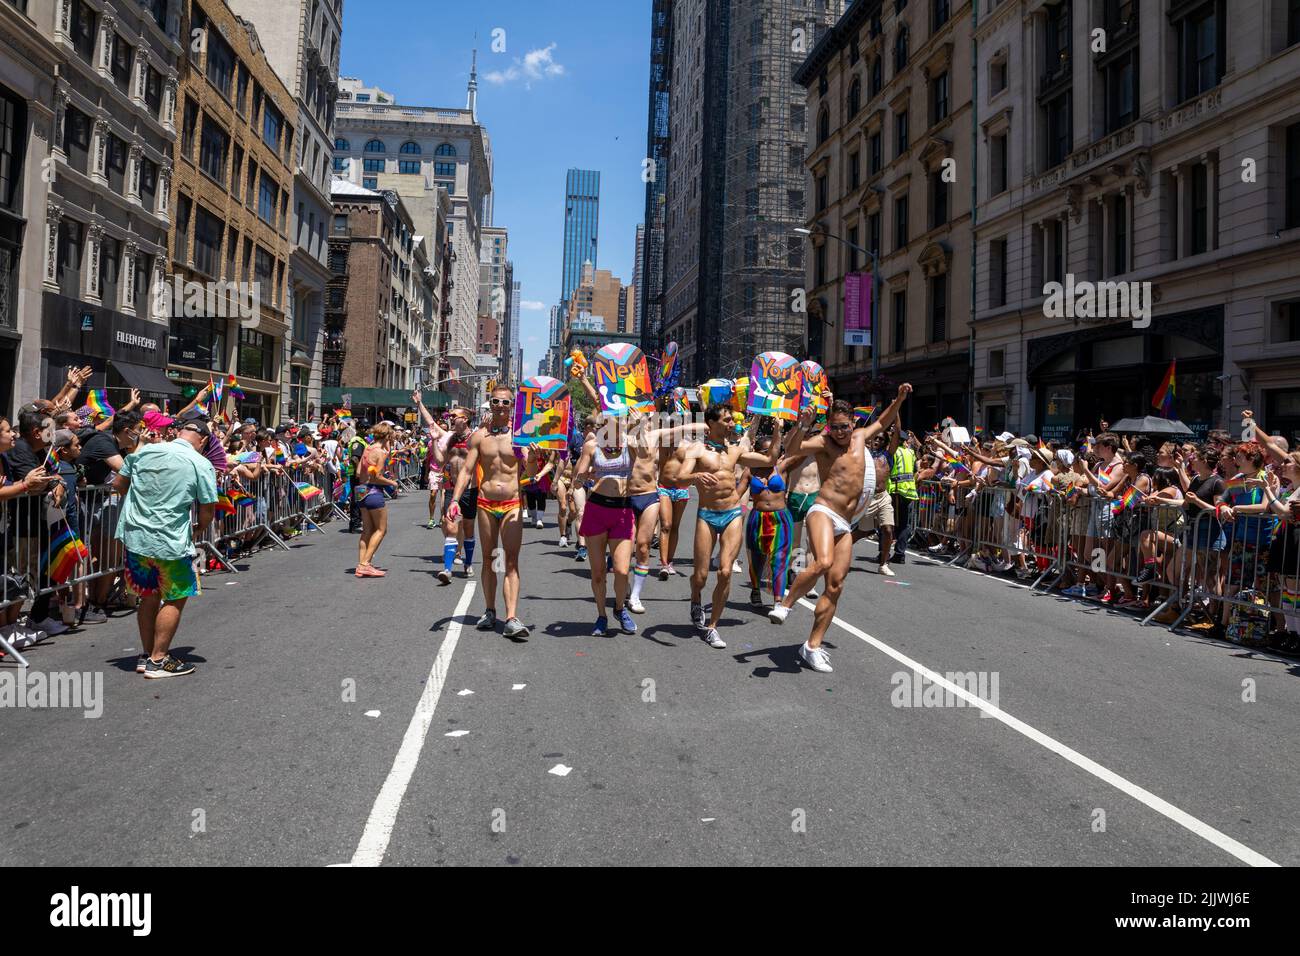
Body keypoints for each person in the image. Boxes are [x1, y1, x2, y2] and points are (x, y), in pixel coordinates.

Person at [769, 385, 912, 673]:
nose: (839, 432)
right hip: (822, 510)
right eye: (834, 427)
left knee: (835, 586)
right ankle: (785, 603)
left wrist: (899, 399)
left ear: (853, 424)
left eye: (844, 427)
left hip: (845, 523)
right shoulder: (823, 444)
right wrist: (803, 424)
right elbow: (794, 448)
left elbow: (884, 421)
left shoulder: (860, 437)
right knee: (822, 561)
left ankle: (812, 646)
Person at [676, 406, 794, 649]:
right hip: (707, 515)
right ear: (711, 422)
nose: (732, 423)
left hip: (732, 514)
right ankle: (696, 598)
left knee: (726, 572)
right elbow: (678, 477)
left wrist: (777, 431)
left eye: (731, 420)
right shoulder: (696, 450)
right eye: (727, 420)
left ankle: (712, 627)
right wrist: (695, 477)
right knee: (700, 576)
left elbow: (770, 459)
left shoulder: (736, 450)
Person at [113, 418, 218, 677]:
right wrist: (199, 528)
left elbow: (118, 485)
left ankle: (147, 655)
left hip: (137, 536)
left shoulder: (145, 451)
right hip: (170, 540)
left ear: (178, 433)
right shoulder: (200, 463)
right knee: (176, 596)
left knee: (148, 596)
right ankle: (159, 660)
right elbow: (207, 509)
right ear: (202, 441)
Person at [447, 385, 529, 638]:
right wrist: (455, 499)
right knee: (491, 558)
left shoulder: (521, 434)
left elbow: (531, 472)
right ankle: (490, 610)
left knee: (511, 561)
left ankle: (512, 618)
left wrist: (534, 457)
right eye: (496, 401)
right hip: (485, 503)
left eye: (506, 402)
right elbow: (467, 471)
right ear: (489, 403)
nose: (501, 406)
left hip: (512, 503)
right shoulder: (479, 436)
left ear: (512, 405)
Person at [433, 407, 476, 584]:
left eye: (453, 416)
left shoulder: (474, 439)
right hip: (451, 488)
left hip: (471, 489)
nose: (450, 418)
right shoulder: (450, 439)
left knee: (468, 529)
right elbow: (440, 461)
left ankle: (468, 563)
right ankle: (447, 569)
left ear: (464, 419)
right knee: (451, 527)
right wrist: (435, 441)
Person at [355, 422, 397, 577]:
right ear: (386, 436)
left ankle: (361, 564)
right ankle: (365, 564)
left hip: (361, 490)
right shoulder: (380, 452)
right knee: (381, 529)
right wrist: (392, 482)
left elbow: (359, 472)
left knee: (367, 529)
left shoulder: (368, 448)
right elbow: (377, 477)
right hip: (373, 492)